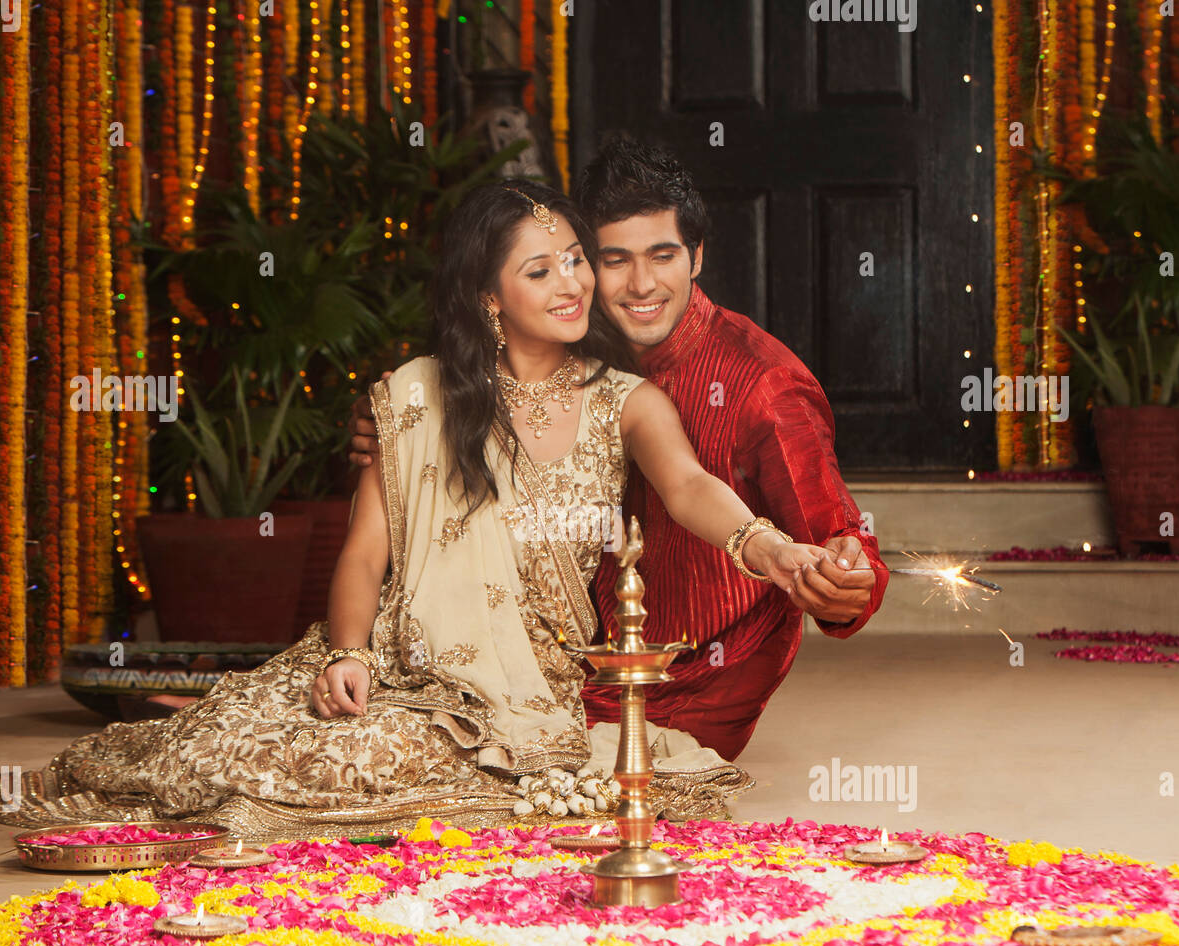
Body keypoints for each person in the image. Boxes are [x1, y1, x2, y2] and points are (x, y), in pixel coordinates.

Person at [0, 179, 827, 840]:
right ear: (489, 298)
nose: (572, 284)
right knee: (244, 741)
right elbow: (364, 554)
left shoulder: (625, 400)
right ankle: (211, 729)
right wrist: (346, 653)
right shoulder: (418, 397)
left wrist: (770, 547)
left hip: (525, 688)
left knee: (352, 763)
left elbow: (687, 487)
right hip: (395, 659)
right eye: (541, 270)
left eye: (574, 259)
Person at [351, 139, 889, 763]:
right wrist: (394, 424)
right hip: (552, 659)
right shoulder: (564, 337)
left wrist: (846, 579)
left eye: (662, 256)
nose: (640, 285)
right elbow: (452, 408)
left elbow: (825, 534)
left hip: (685, 681)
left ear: (697, 257)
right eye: (612, 260)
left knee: (482, 764)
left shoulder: (762, 384)